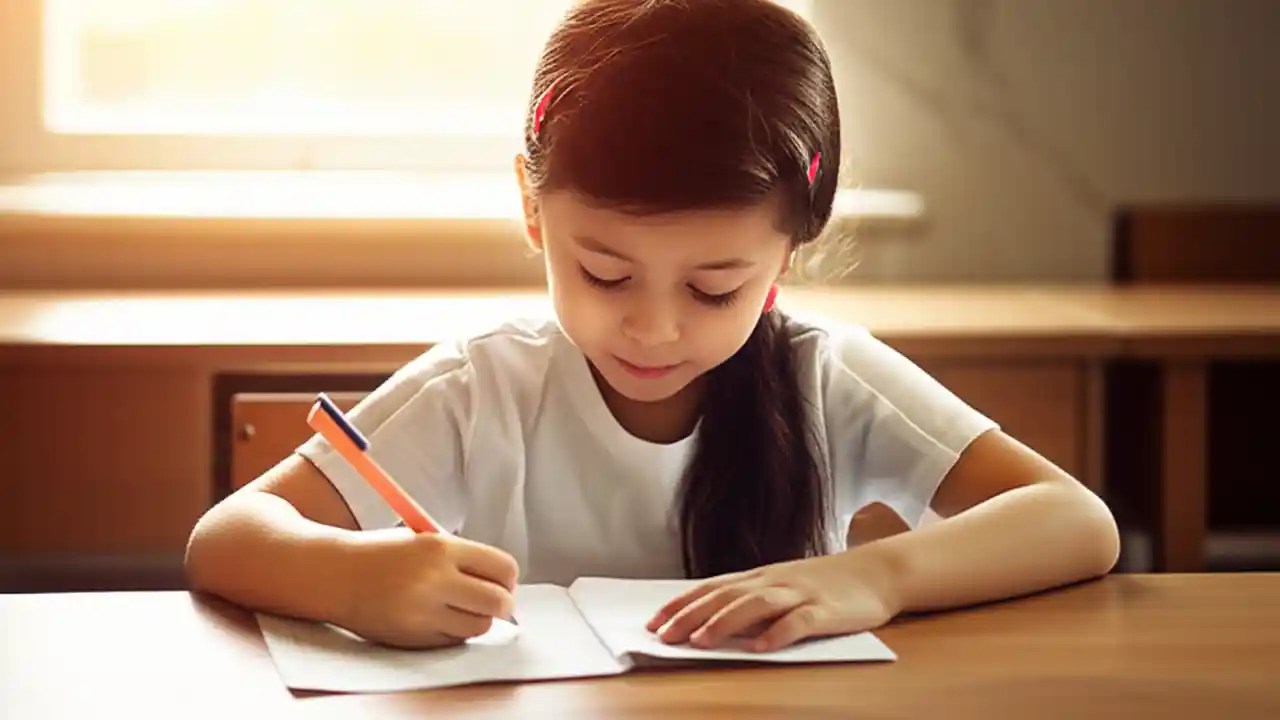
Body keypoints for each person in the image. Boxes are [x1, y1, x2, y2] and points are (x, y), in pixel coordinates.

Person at [185, 0, 1119, 653]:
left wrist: (874, 579)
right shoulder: (482, 389)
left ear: (789, 252)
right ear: (531, 208)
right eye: (602, 272)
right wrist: (352, 579)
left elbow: (1075, 522)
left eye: (716, 289)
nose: (653, 327)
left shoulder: (823, 376)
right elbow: (228, 537)